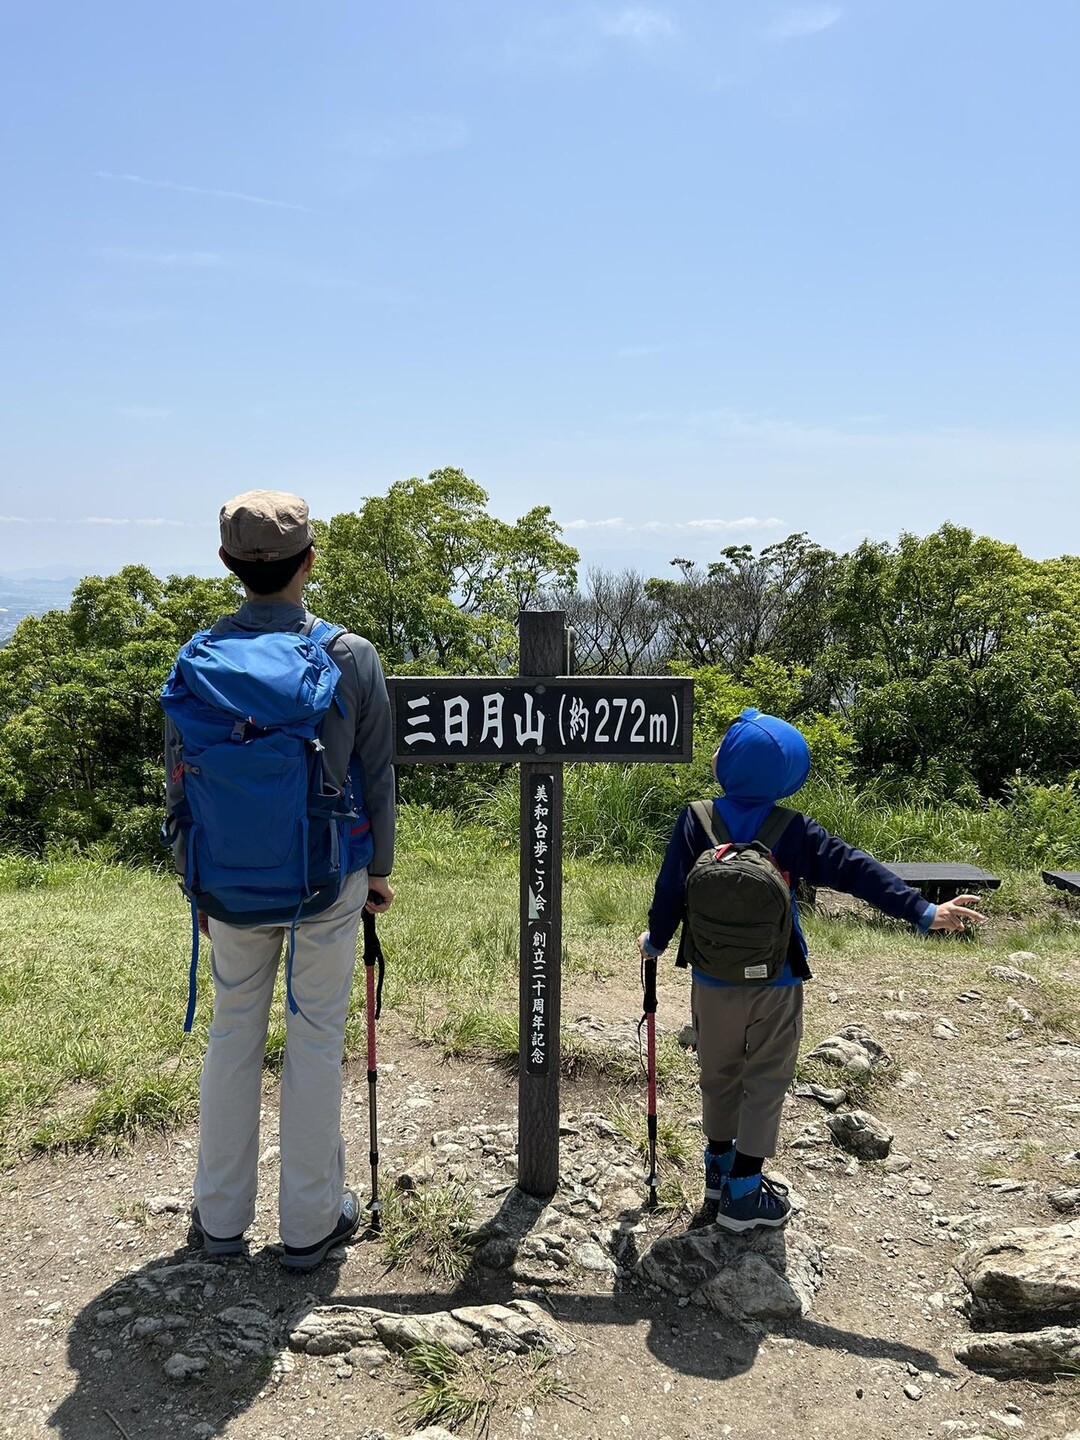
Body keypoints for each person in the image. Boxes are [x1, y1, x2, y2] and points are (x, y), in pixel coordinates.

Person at [638, 707, 985, 1233]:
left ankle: (717, 1170)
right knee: (767, 1078)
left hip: (711, 976)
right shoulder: (791, 828)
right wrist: (923, 910)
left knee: (719, 1073)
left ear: (729, 763)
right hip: (776, 978)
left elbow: (670, 892)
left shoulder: (696, 819)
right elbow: (855, 869)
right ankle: (745, 1194)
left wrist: (656, 941)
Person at [163, 490, 395, 1270]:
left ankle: (220, 1221)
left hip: (226, 880)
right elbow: (377, 774)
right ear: (309, 560)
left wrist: (194, 879)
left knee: (233, 1037)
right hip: (328, 878)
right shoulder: (349, 655)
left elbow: (179, 779)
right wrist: (379, 873)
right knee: (316, 1038)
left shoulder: (198, 659)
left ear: (229, 564)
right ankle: (309, 1225)